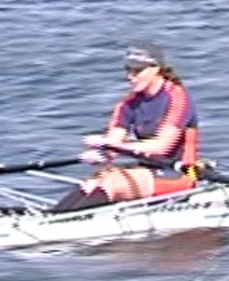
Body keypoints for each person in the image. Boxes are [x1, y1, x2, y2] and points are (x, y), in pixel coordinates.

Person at [50, 42, 201, 213]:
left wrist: (110, 145)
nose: (130, 76)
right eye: (128, 70)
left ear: (156, 69)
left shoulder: (178, 97)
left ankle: (60, 223)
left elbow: (161, 147)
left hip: (186, 174)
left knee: (113, 181)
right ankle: (50, 218)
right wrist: (101, 153)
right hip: (148, 171)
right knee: (92, 183)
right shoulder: (127, 104)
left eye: (137, 71)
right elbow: (113, 146)